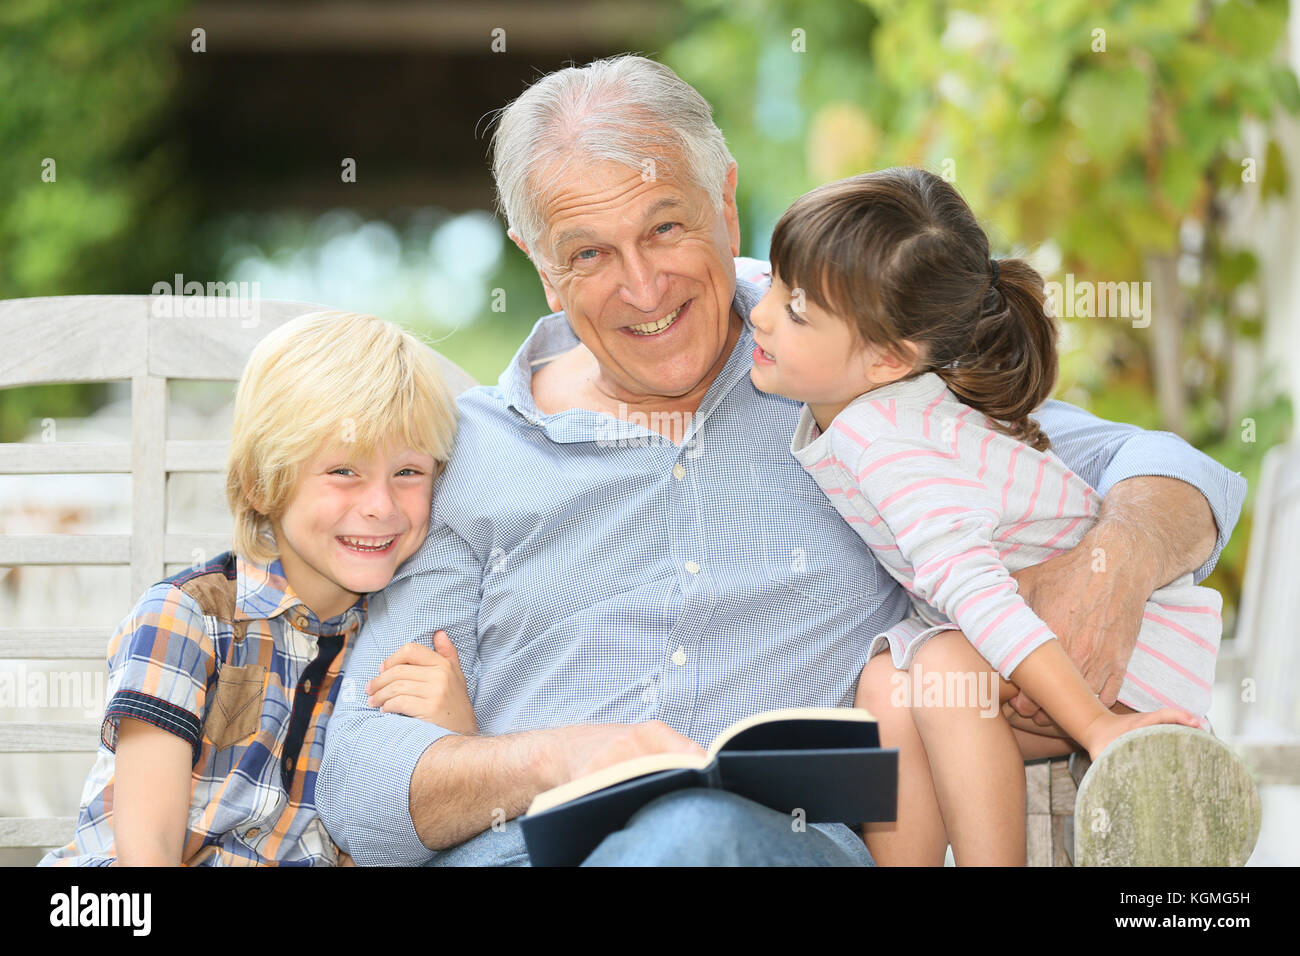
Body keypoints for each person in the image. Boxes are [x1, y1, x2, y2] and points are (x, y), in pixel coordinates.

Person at [316, 55, 1246, 866]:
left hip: (768, 848)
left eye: (667, 227)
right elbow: (361, 789)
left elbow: (1178, 474)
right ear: (537, 261)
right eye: (590, 252)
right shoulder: (463, 453)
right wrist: (564, 760)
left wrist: (1110, 563)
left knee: (694, 839)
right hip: (524, 849)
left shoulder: (851, 369)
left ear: (725, 199)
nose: (643, 287)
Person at [747, 167, 1222, 865]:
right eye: (776, 283)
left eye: (796, 309)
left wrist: (1094, 728)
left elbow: (979, 598)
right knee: (885, 678)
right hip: (1037, 656)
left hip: (1123, 667)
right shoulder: (878, 412)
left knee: (940, 667)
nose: (759, 311)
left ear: (887, 359)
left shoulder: (892, 444)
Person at [40, 311, 459, 865]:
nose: (380, 504)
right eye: (343, 472)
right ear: (264, 484)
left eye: (408, 472)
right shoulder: (187, 618)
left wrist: (455, 734)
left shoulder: (398, 641)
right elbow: (147, 854)